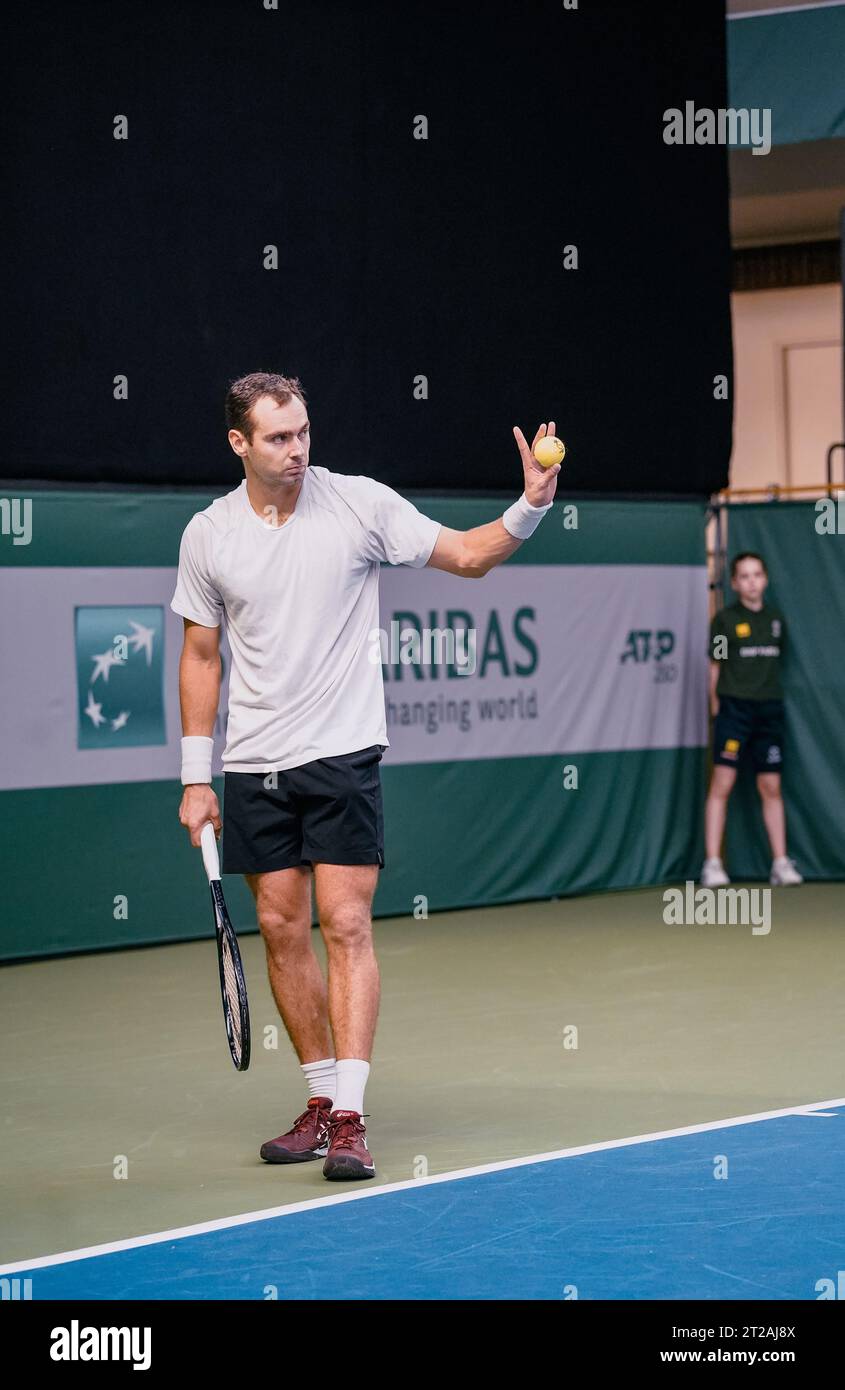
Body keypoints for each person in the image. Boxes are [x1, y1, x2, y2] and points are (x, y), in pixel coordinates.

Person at [171, 371, 560, 1180]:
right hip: (251, 765)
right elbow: (200, 655)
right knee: (281, 928)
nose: (297, 449)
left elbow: (466, 555)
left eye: (304, 431)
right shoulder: (208, 533)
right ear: (239, 443)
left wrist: (529, 504)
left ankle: (350, 1116)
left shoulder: (358, 504)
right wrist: (194, 775)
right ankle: (317, 1101)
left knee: (343, 925)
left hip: (342, 754)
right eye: (277, 437)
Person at [701, 551, 802, 888]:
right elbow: (714, 667)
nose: (751, 582)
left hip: (769, 712)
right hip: (734, 712)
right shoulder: (724, 621)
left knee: (771, 786)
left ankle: (780, 863)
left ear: (765, 579)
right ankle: (713, 864)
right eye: (743, 576)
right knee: (722, 784)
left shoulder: (777, 621)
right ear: (734, 583)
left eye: (756, 575)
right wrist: (717, 708)